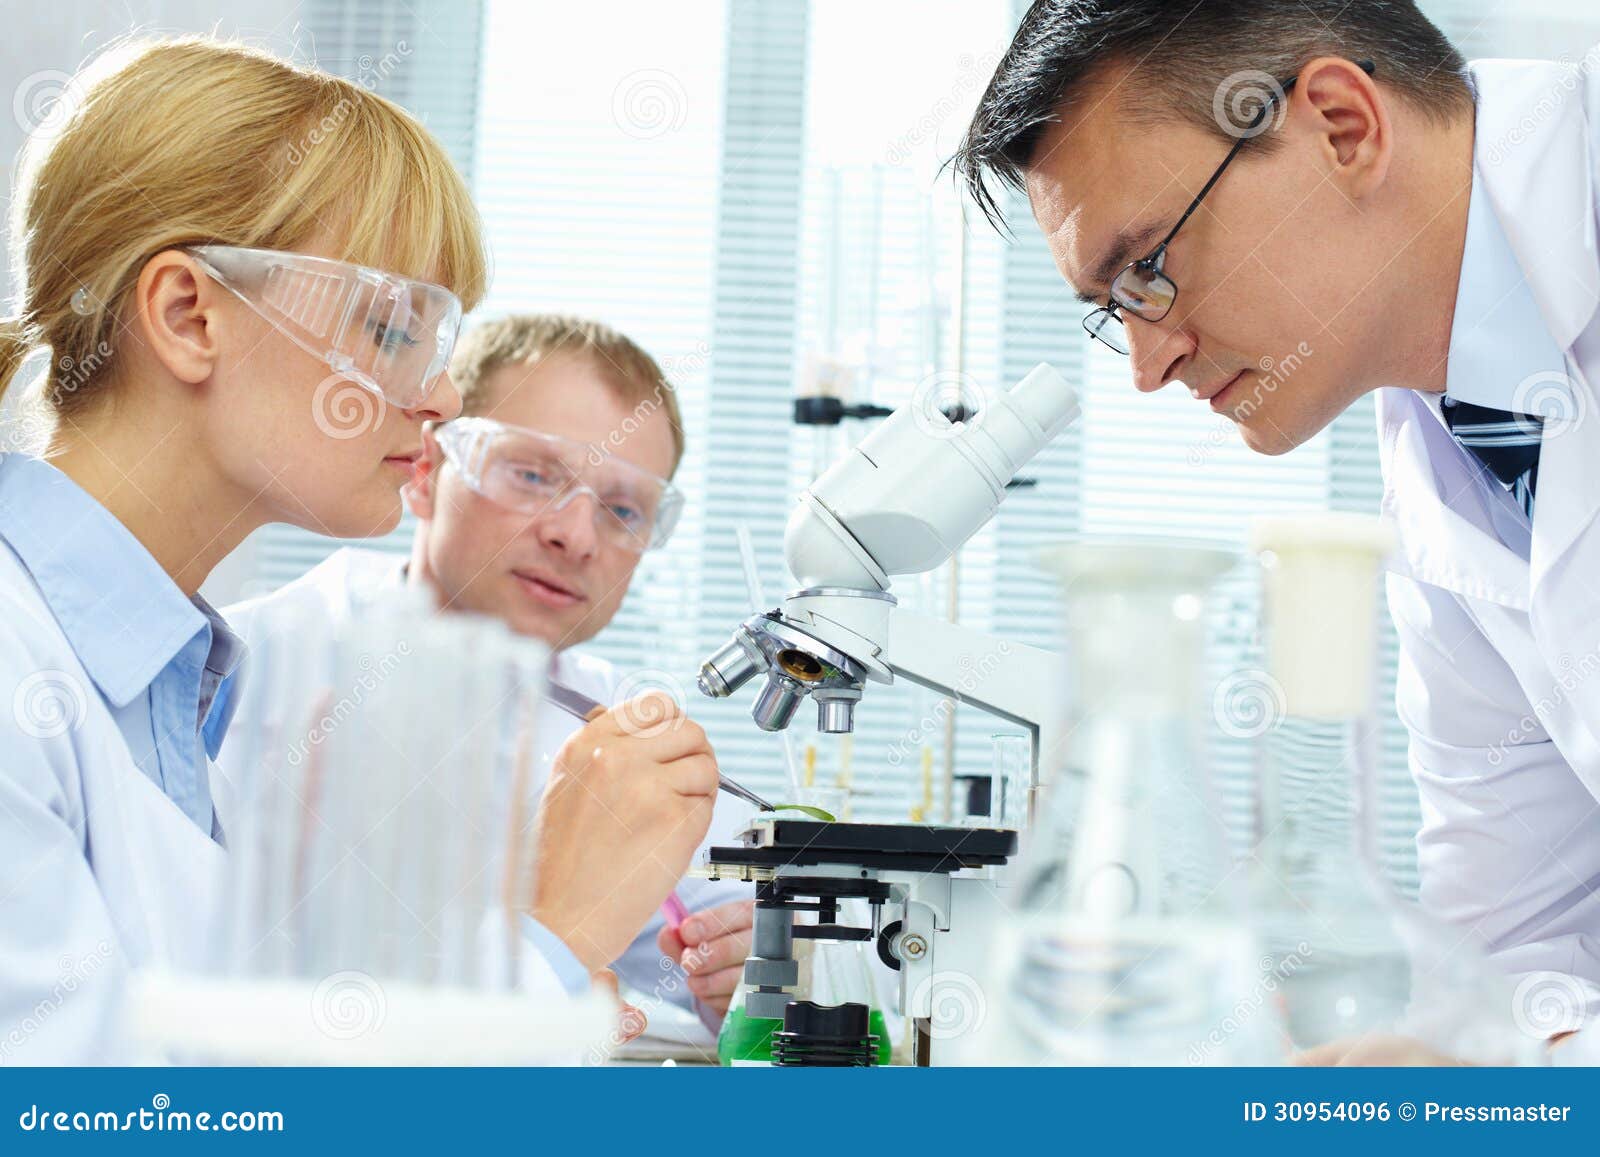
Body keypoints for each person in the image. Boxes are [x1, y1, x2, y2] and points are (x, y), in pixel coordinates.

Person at [0, 37, 710, 1063]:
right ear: (189, 315)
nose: (441, 396)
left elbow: (257, 1067)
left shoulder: (181, 696)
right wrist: (550, 936)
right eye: (391, 329)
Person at [955, 0, 1600, 1062]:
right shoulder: (1450, 449)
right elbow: (1522, 945)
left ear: (1342, 125)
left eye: (1150, 266)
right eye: (1113, 306)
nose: (1147, 363)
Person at [220, 315, 757, 1029]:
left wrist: (747, 969)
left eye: (623, 508)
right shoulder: (247, 671)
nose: (575, 534)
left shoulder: (620, 724)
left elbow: (735, 929)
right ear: (424, 474)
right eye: (533, 474)